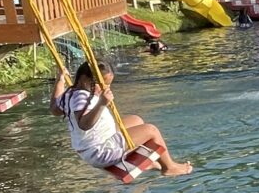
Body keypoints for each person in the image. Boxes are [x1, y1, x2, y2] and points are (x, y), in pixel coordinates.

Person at [54, 62, 192, 176]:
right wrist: (102, 103)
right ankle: (168, 167)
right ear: (85, 79)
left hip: (94, 145)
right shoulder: (82, 97)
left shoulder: (71, 93)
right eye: (102, 85)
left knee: (136, 120)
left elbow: (54, 109)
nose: (106, 88)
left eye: (108, 85)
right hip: (100, 152)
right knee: (151, 130)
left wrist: (60, 81)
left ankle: (140, 160)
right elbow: (84, 124)